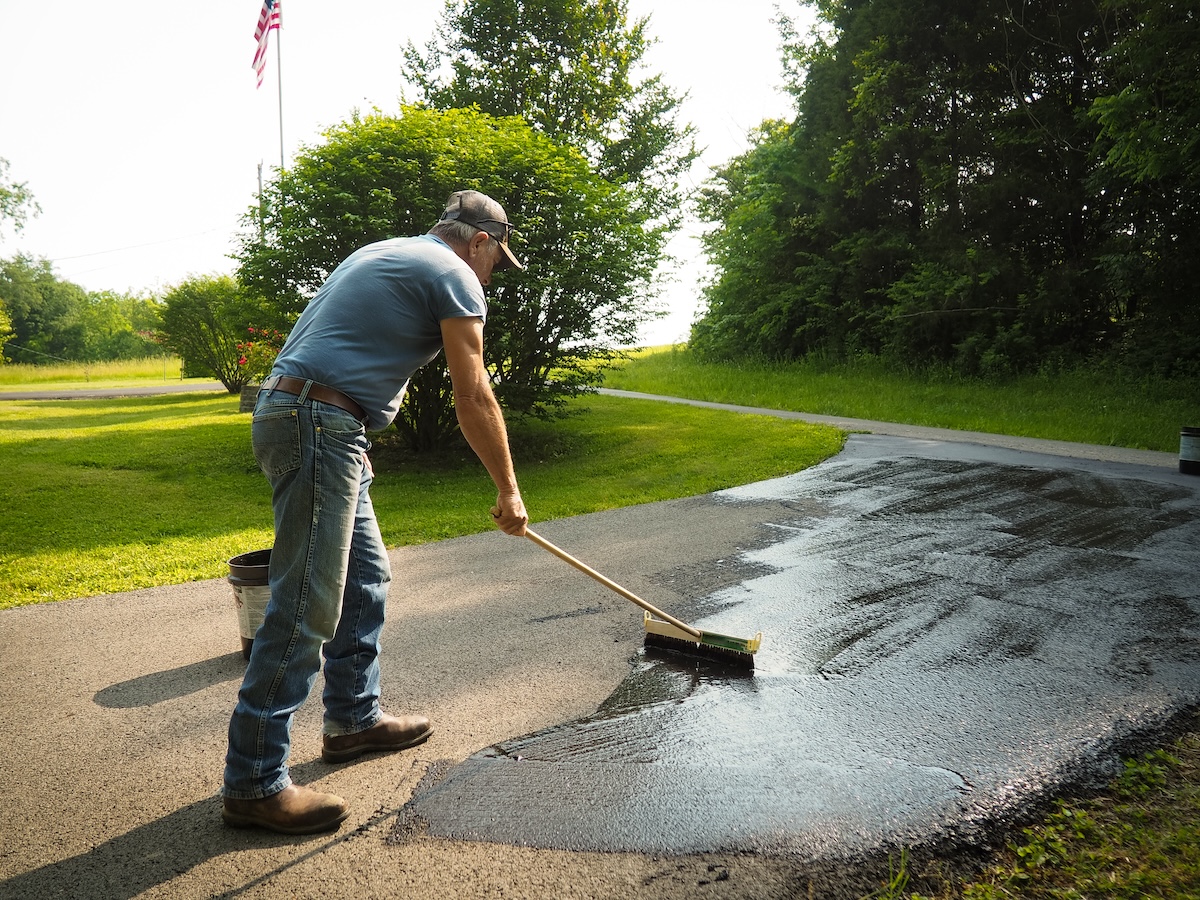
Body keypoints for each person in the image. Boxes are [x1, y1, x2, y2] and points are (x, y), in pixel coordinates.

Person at [222, 189, 529, 835]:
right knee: (308, 602)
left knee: (364, 580)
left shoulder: (386, 252)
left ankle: (354, 720)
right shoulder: (453, 274)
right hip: (321, 421)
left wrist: (347, 436)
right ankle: (253, 782)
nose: (492, 271)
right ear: (478, 241)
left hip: (319, 418)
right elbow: (473, 393)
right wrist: (508, 489)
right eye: (496, 258)